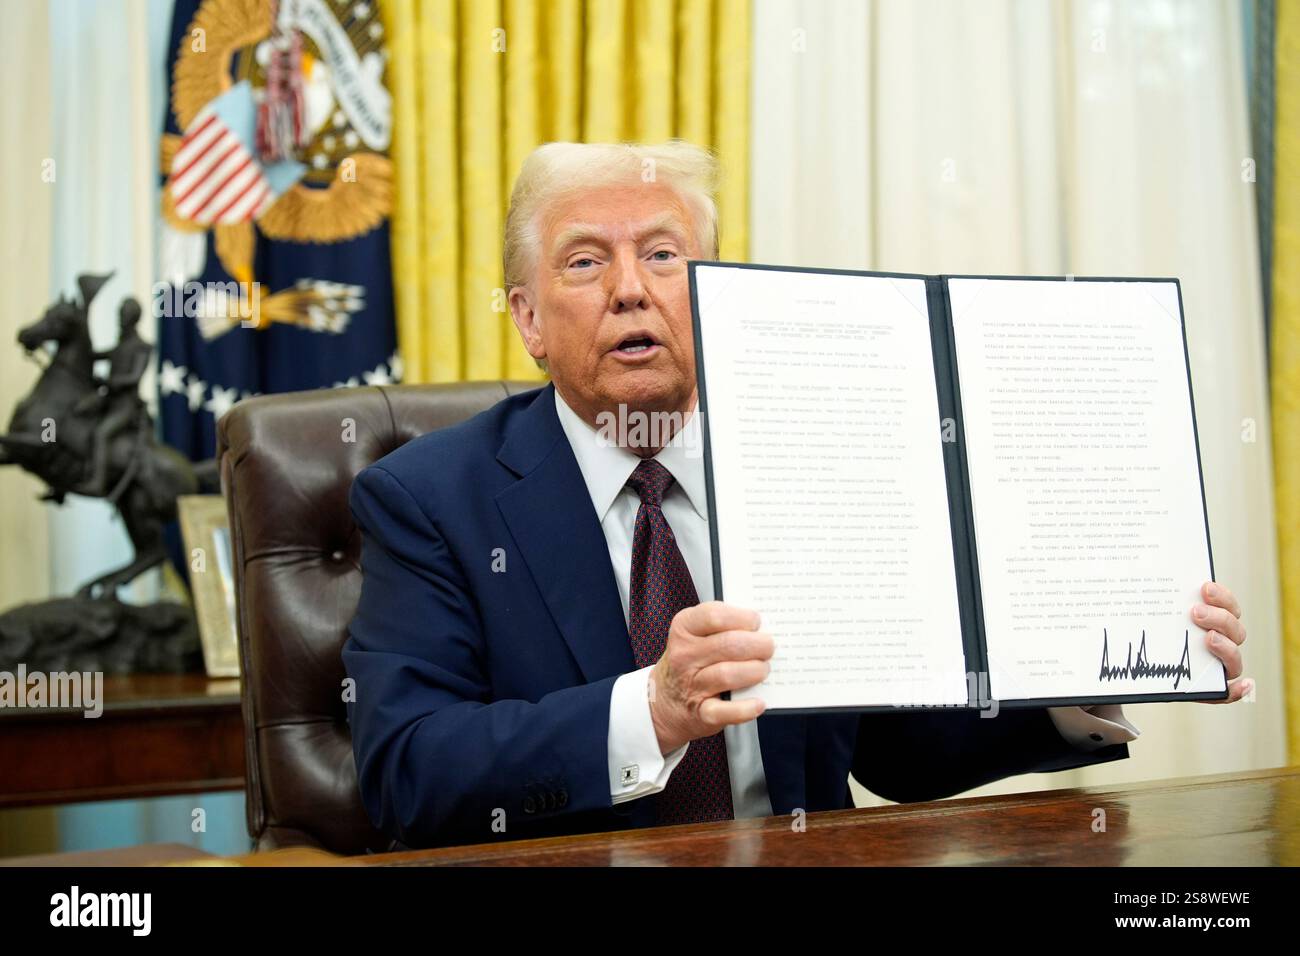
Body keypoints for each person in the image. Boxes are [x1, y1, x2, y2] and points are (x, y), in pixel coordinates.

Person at [341, 141, 1250, 850]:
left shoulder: (819, 460)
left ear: (715, 292)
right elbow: (408, 769)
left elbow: (894, 749)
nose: (629, 291)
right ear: (529, 319)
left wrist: (1098, 662)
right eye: (583, 264)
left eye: (663, 254)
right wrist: (649, 714)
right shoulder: (428, 499)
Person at [73, 297, 151, 499]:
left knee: (101, 433)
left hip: (125, 406)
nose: (120, 317)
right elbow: (91, 355)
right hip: (108, 400)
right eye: (120, 313)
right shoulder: (119, 346)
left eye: (124, 314)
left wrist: (110, 382)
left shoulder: (142, 346)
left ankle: (97, 482)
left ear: (133, 318)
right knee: (74, 417)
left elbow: (134, 377)